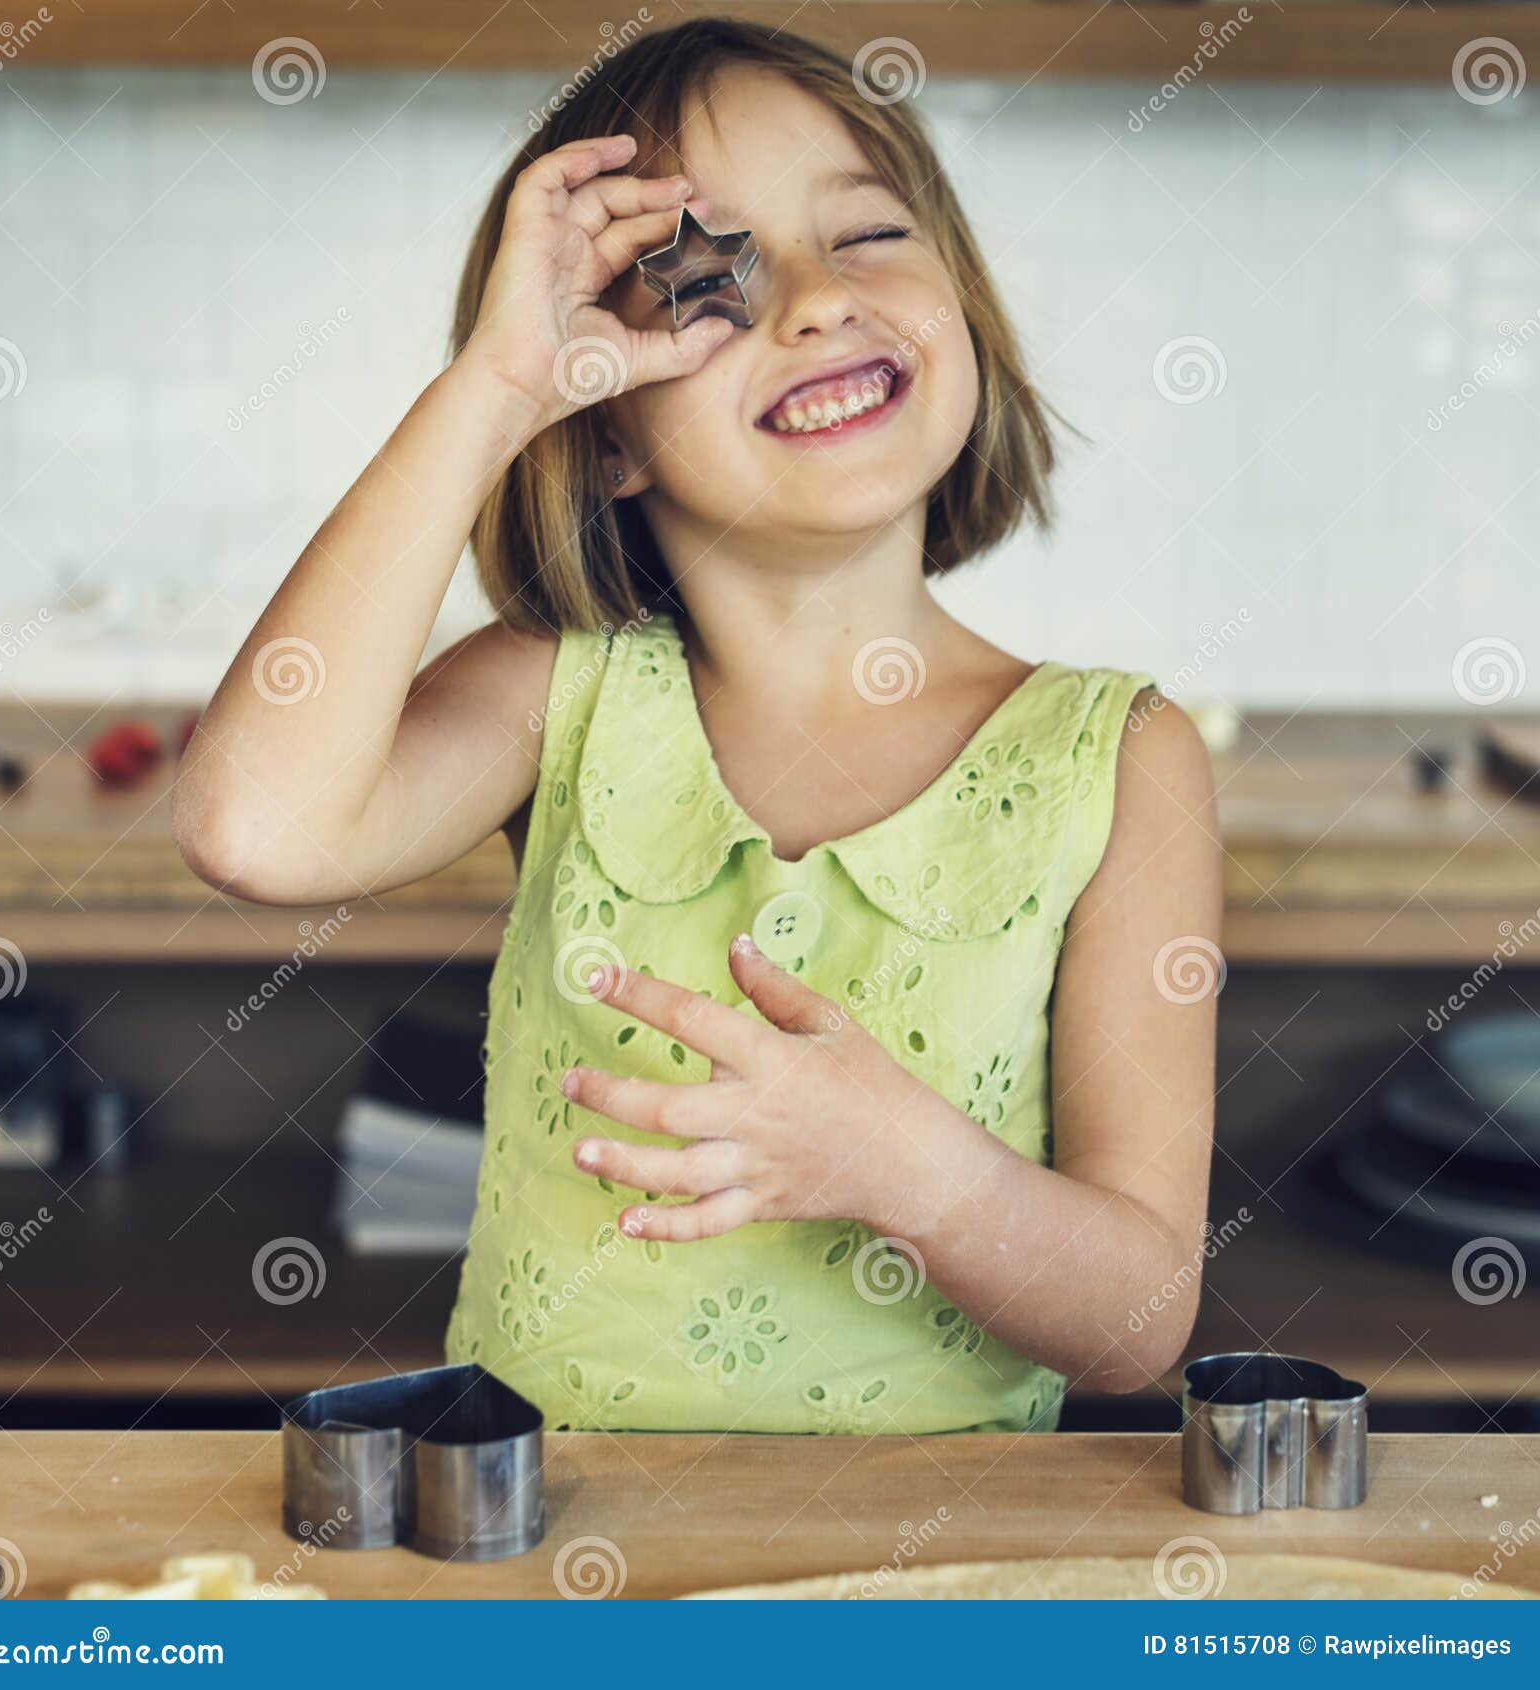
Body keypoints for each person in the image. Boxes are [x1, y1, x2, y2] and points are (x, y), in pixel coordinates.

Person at [173, 18, 1222, 1435]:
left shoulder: (1119, 763)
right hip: (548, 1572)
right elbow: (254, 827)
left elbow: (1138, 1325)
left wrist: (908, 1168)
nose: (809, 300)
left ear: (961, 301)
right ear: (604, 418)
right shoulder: (560, 686)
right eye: (705, 278)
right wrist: (491, 394)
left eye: (862, 236)